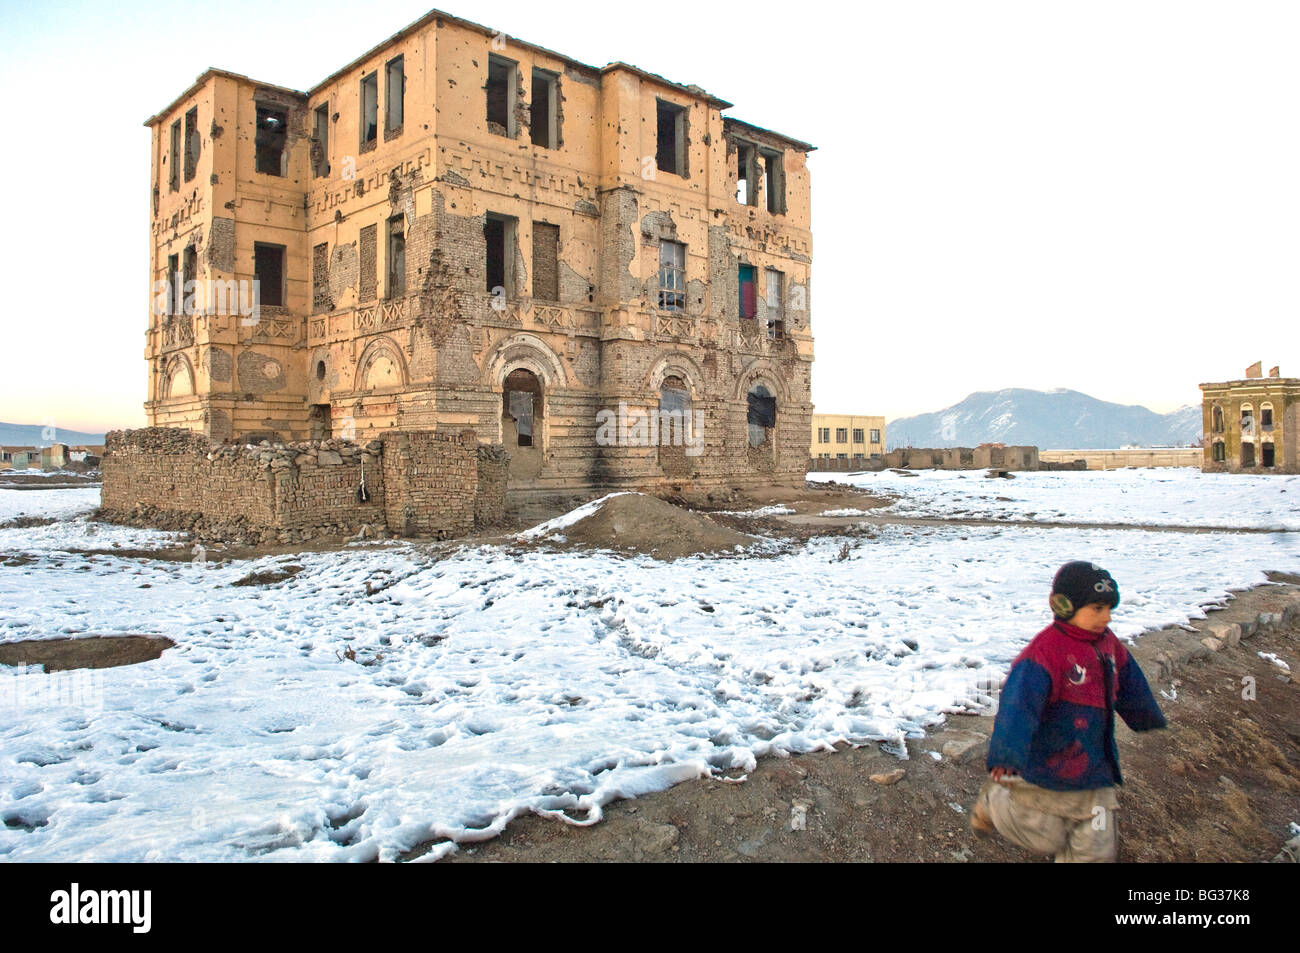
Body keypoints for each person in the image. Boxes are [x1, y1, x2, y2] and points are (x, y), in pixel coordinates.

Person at [971, 561, 1167, 862]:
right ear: (1064, 605)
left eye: (1109, 608)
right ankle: (995, 799)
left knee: (1097, 849)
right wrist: (1006, 755)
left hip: (1097, 771)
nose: (1107, 617)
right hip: (1052, 767)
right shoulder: (1045, 653)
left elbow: (1128, 679)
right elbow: (1018, 707)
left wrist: (1144, 715)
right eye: (1097, 608)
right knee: (1047, 837)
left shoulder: (1108, 645)